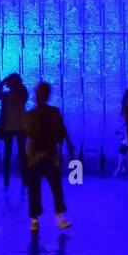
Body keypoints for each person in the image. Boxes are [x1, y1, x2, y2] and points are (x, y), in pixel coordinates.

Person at [24, 81, 74, 232]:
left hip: (37, 155)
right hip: (50, 154)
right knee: (55, 187)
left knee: (36, 188)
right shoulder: (53, 112)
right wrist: (68, 144)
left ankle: (35, 219)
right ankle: (59, 217)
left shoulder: (32, 114)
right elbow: (62, 130)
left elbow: (28, 135)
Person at [0, 73, 29, 187]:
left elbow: (0, 94)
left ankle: (17, 178)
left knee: (16, 153)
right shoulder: (11, 94)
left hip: (16, 126)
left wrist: (3, 83)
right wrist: (2, 83)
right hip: (16, 126)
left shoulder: (18, 93)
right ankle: (18, 178)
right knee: (17, 153)